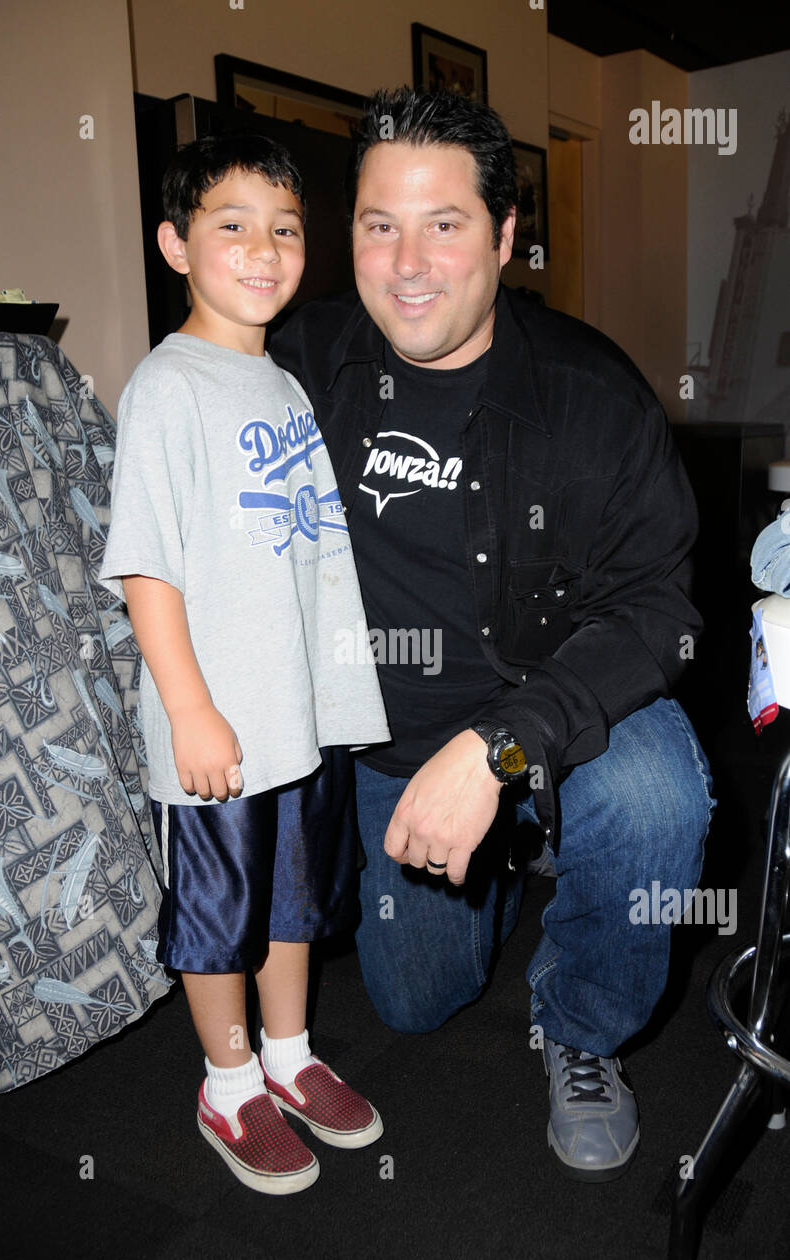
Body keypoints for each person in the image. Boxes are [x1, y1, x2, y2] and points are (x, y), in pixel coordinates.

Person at [270, 87, 716, 1182]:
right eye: (381, 224)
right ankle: (516, 856)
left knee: (661, 798)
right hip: (392, 741)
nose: (408, 262)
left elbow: (661, 613)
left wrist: (501, 749)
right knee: (416, 1002)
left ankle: (582, 1028)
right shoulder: (301, 359)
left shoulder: (592, 394)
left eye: (446, 223)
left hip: (559, 713)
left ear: (508, 236)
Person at [98, 131, 391, 1195]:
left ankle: (288, 1054)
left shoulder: (283, 386)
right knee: (220, 915)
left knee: (292, 901)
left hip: (291, 716)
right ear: (175, 243)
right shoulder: (169, 387)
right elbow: (147, 568)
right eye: (232, 227)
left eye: (284, 229)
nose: (263, 250)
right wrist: (190, 709)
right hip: (217, 721)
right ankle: (227, 1083)